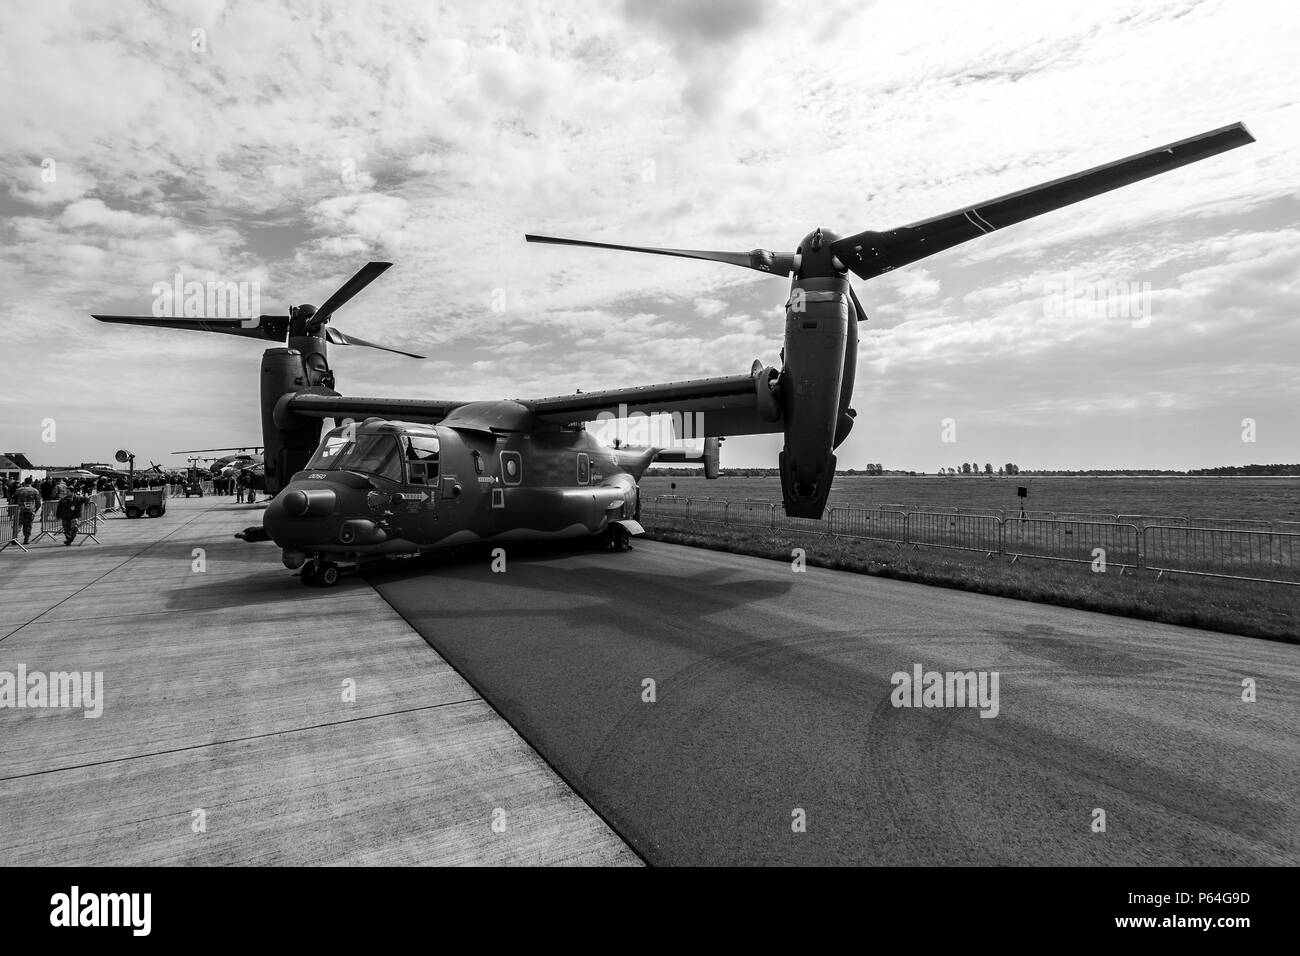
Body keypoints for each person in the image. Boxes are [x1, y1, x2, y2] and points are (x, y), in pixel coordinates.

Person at [14, 478, 40, 545]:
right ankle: (26, 539)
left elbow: (14, 500)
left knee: (18, 524)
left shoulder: (19, 490)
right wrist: (35, 510)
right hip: (30, 510)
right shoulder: (35, 491)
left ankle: (14, 538)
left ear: (24, 482)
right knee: (28, 525)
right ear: (31, 482)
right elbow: (38, 502)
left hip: (19, 510)